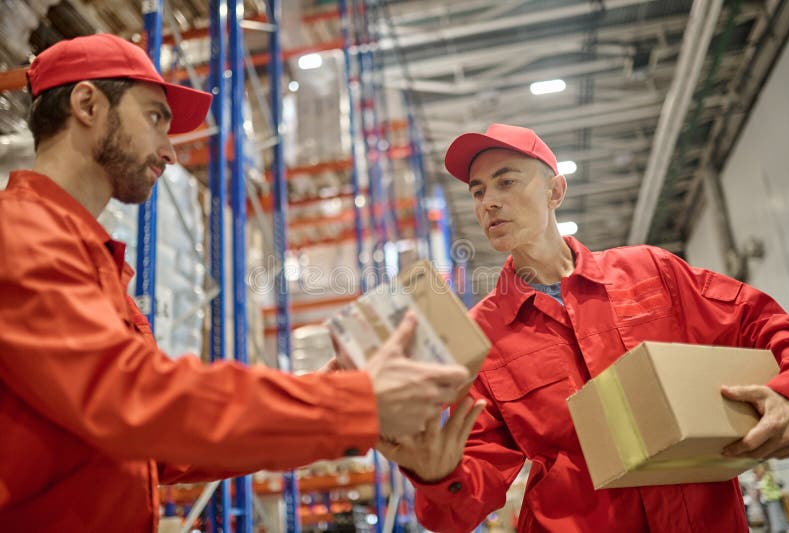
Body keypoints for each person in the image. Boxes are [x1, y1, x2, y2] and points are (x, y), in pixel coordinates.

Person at [0, 33, 469, 531]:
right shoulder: (22, 235)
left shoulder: (92, 259)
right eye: (156, 117)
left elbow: (161, 448)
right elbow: (136, 402)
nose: (170, 152)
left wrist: (329, 394)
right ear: (87, 103)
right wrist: (351, 405)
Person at [379, 123, 789, 532]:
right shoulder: (481, 336)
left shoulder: (650, 272)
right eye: (478, 190)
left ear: (555, 191)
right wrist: (436, 476)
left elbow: (762, 321)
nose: (488, 201)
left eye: (506, 182)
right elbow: (465, 496)